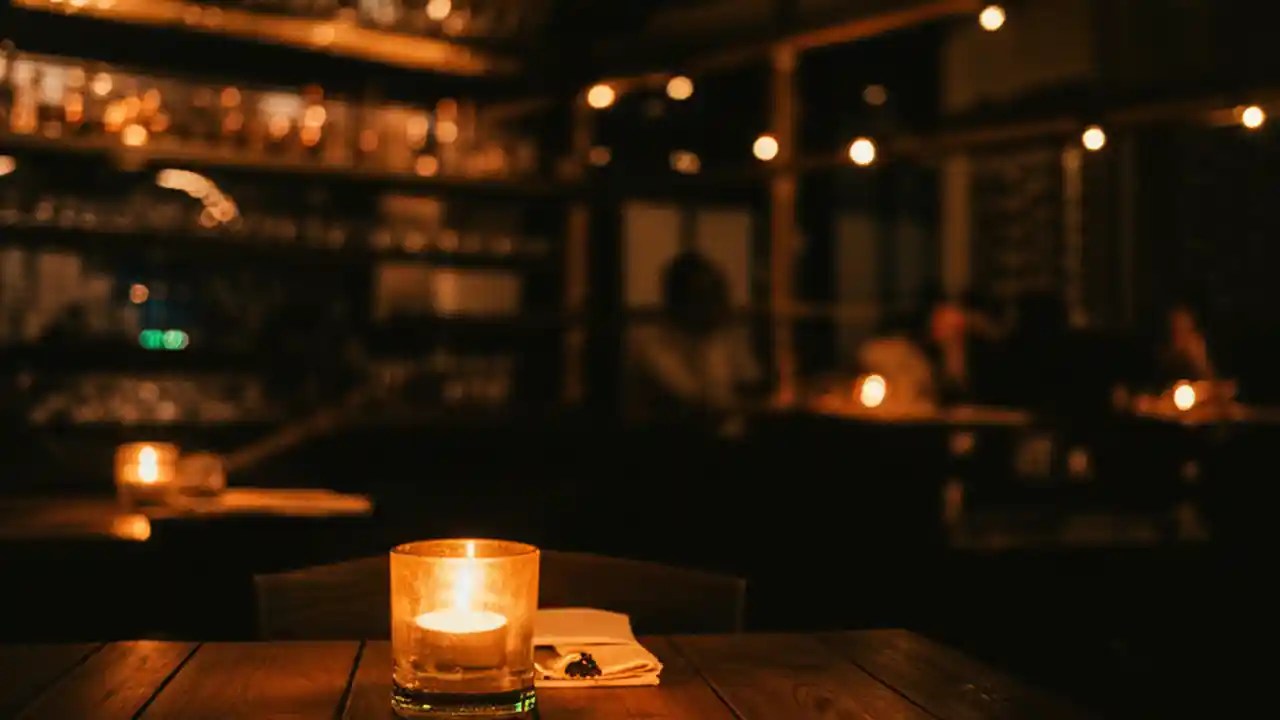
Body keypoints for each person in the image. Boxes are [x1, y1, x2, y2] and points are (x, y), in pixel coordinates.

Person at [624, 250, 762, 435]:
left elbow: (752, 384)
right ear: (680, 302)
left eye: (720, 295)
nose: (721, 305)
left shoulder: (725, 338)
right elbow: (694, 403)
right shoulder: (651, 344)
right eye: (707, 296)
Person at [1155, 303, 1213, 384]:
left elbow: (1211, 385)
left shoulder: (1197, 353)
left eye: (1185, 330)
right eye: (1176, 330)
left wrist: (1200, 364)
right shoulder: (1160, 362)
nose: (1181, 337)